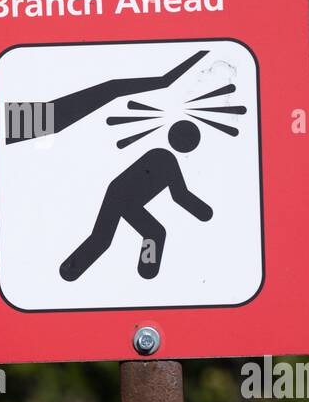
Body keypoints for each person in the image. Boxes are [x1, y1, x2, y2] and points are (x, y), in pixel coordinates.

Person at [59, 120, 212, 281]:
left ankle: (145, 270)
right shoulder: (164, 157)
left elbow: (180, 195)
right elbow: (181, 195)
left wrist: (203, 212)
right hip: (119, 195)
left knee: (109, 237)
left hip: (122, 196)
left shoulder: (165, 158)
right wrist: (204, 212)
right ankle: (73, 268)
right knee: (147, 233)